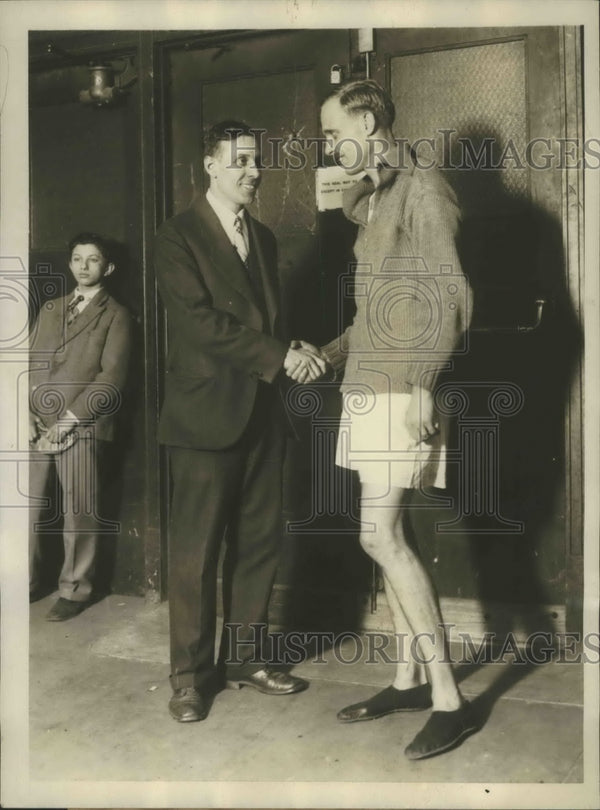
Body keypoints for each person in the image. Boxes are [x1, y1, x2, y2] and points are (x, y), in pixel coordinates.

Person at [315, 80, 475, 759]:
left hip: (402, 389)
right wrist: (325, 357)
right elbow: (369, 315)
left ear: (370, 121)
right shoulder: (376, 197)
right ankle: (408, 677)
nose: (326, 147)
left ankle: (449, 699)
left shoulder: (423, 189)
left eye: (331, 133)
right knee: (386, 532)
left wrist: (422, 385)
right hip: (366, 385)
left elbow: (452, 294)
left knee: (379, 535)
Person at [155, 120, 327, 723]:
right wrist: (281, 357)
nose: (254, 172)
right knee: (195, 555)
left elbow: (261, 320)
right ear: (210, 165)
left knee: (257, 546)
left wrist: (291, 346)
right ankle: (189, 678)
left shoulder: (264, 236)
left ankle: (248, 659)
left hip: (262, 414)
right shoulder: (177, 236)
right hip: (205, 419)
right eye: (241, 162)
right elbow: (200, 323)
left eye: (257, 161)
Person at [29, 232, 133, 621]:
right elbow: (30, 366)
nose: (83, 266)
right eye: (77, 258)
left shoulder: (116, 315)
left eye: (92, 260)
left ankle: (75, 589)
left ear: (107, 268)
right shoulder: (52, 308)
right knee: (29, 508)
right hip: (37, 424)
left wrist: (70, 421)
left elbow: (111, 380)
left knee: (79, 510)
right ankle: (26, 581)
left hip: (83, 427)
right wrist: (27, 416)